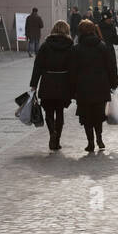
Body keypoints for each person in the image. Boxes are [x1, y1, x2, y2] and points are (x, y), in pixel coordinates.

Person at [69, 19, 118, 153]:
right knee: (98, 114)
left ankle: (90, 142)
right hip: (101, 85)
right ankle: (99, 138)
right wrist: (114, 82)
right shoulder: (102, 46)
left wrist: (72, 88)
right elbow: (111, 66)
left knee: (86, 115)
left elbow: (72, 70)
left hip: (83, 86)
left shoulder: (76, 49)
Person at [30, 20, 74, 151]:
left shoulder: (45, 46)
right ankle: (57, 139)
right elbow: (73, 67)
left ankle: (52, 134)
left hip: (48, 81)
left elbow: (37, 66)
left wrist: (33, 84)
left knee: (49, 111)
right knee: (59, 111)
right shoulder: (70, 46)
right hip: (63, 81)